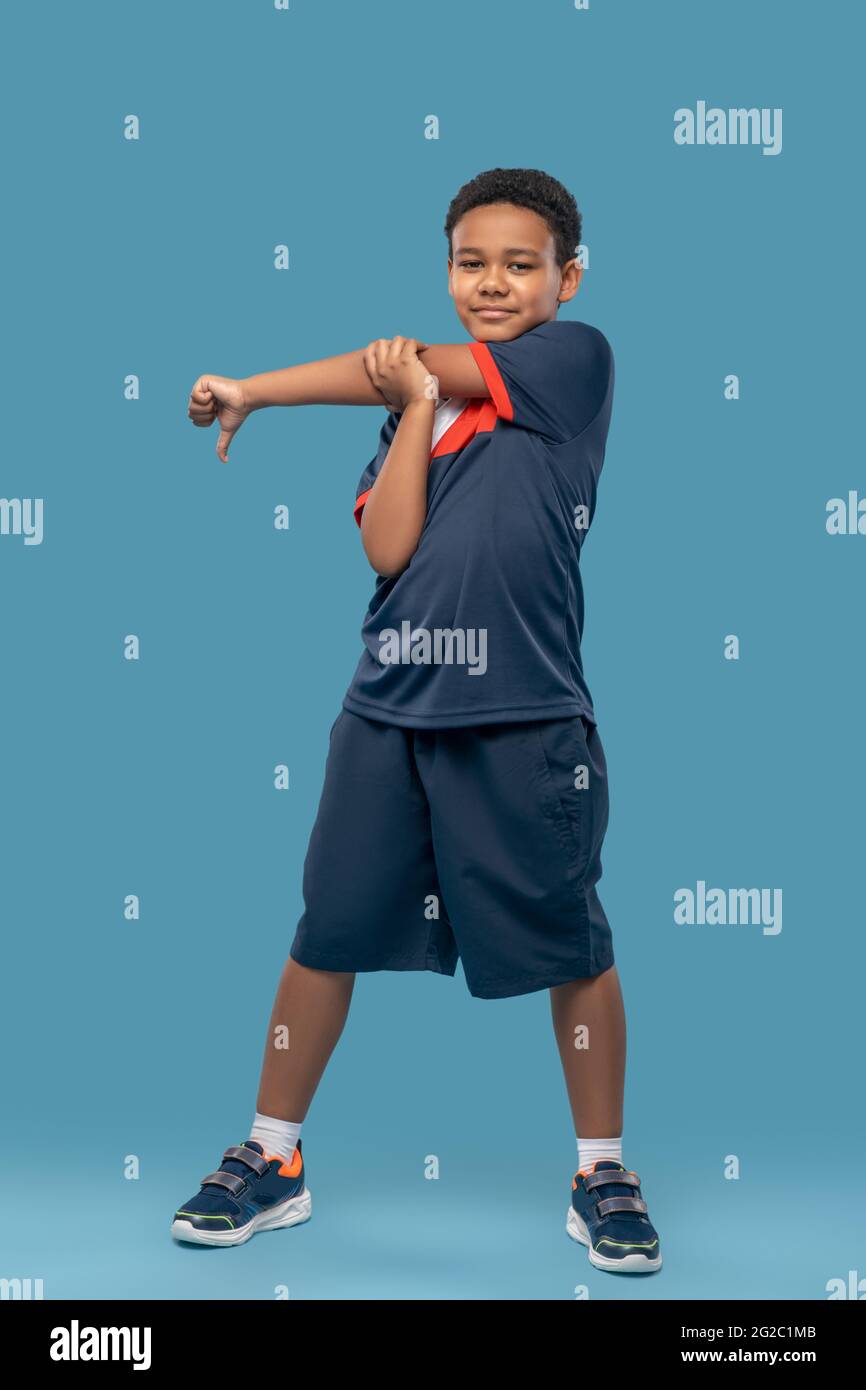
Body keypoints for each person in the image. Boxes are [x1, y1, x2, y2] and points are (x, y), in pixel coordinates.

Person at [170, 167, 661, 1275]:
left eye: (518, 264)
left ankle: (601, 1168)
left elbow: (389, 365)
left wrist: (254, 386)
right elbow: (387, 548)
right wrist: (413, 411)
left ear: (564, 278)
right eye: (469, 262)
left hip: (524, 710)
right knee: (325, 927)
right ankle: (272, 1156)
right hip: (386, 710)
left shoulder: (571, 364)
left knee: (569, 938)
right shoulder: (422, 408)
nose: (491, 282)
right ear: (446, 271)